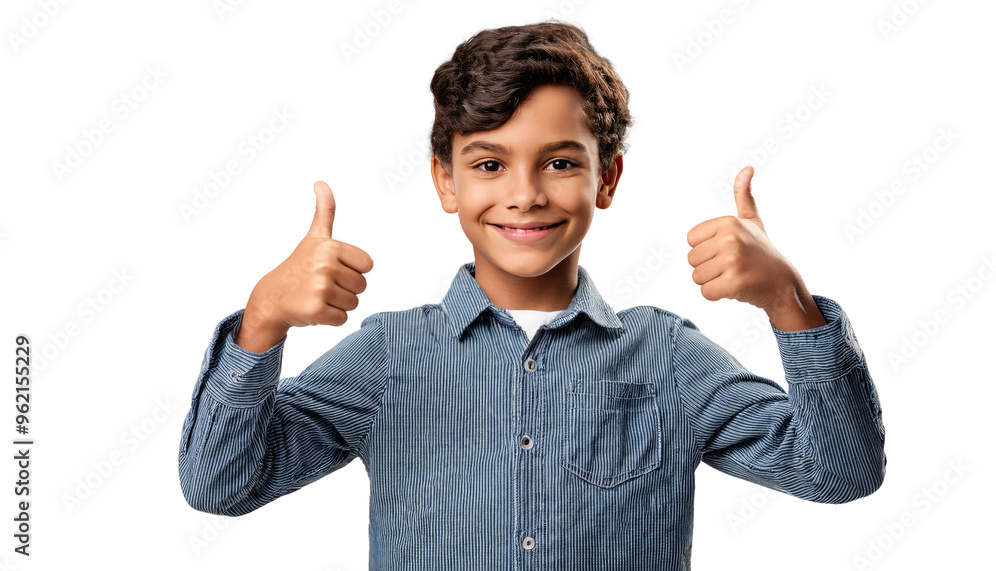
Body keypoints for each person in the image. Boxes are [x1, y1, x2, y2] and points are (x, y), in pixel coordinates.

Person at [177, 20, 886, 569]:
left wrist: (789, 302)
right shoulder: (391, 356)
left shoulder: (666, 356)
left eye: (559, 162)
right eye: (490, 164)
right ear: (446, 180)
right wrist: (263, 320)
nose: (524, 194)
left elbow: (840, 473)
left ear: (607, 178)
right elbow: (220, 485)